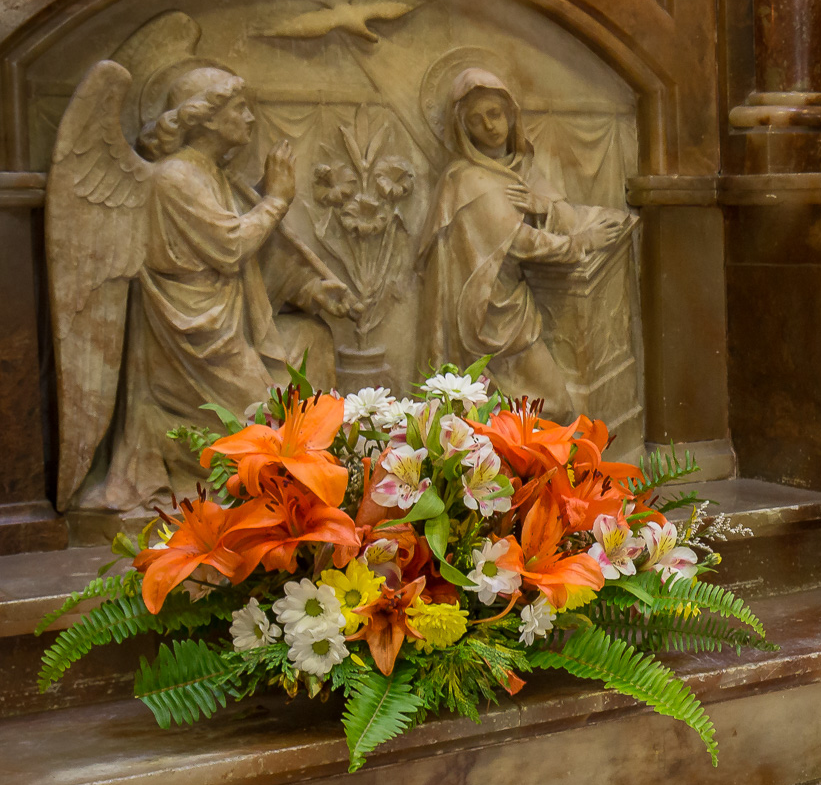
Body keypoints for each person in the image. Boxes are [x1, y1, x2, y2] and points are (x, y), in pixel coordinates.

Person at [104, 66, 356, 508]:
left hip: (226, 322)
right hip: (193, 338)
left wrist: (311, 292)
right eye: (240, 108)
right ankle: (261, 487)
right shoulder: (174, 178)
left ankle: (307, 486)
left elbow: (261, 261)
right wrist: (277, 198)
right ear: (205, 116)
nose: (250, 118)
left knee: (312, 340)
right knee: (263, 421)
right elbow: (231, 246)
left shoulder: (215, 176)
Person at [418, 69, 632, 410]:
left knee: (524, 411)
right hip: (487, 315)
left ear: (510, 114)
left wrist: (544, 206)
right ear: (463, 131)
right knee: (554, 406)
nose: (488, 126)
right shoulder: (469, 180)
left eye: (494, 113)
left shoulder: (520, 166)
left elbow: (562, 214)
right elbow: (523, 242)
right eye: (475, 120)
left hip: (513, 307)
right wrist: (584, 242)